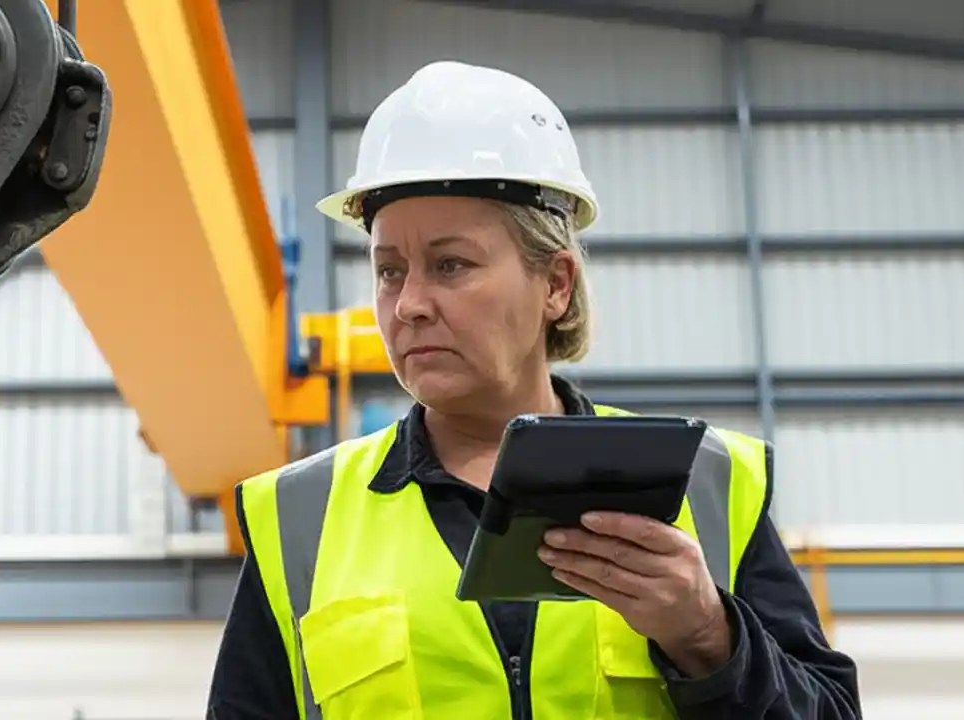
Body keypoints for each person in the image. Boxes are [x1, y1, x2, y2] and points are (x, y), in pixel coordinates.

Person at [207, 60, 861, 720]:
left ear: (555, 284)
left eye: (450, 265)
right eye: (389, 271)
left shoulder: (708, 485)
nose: (408, 304)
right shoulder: (301, 516)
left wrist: (708, 635)